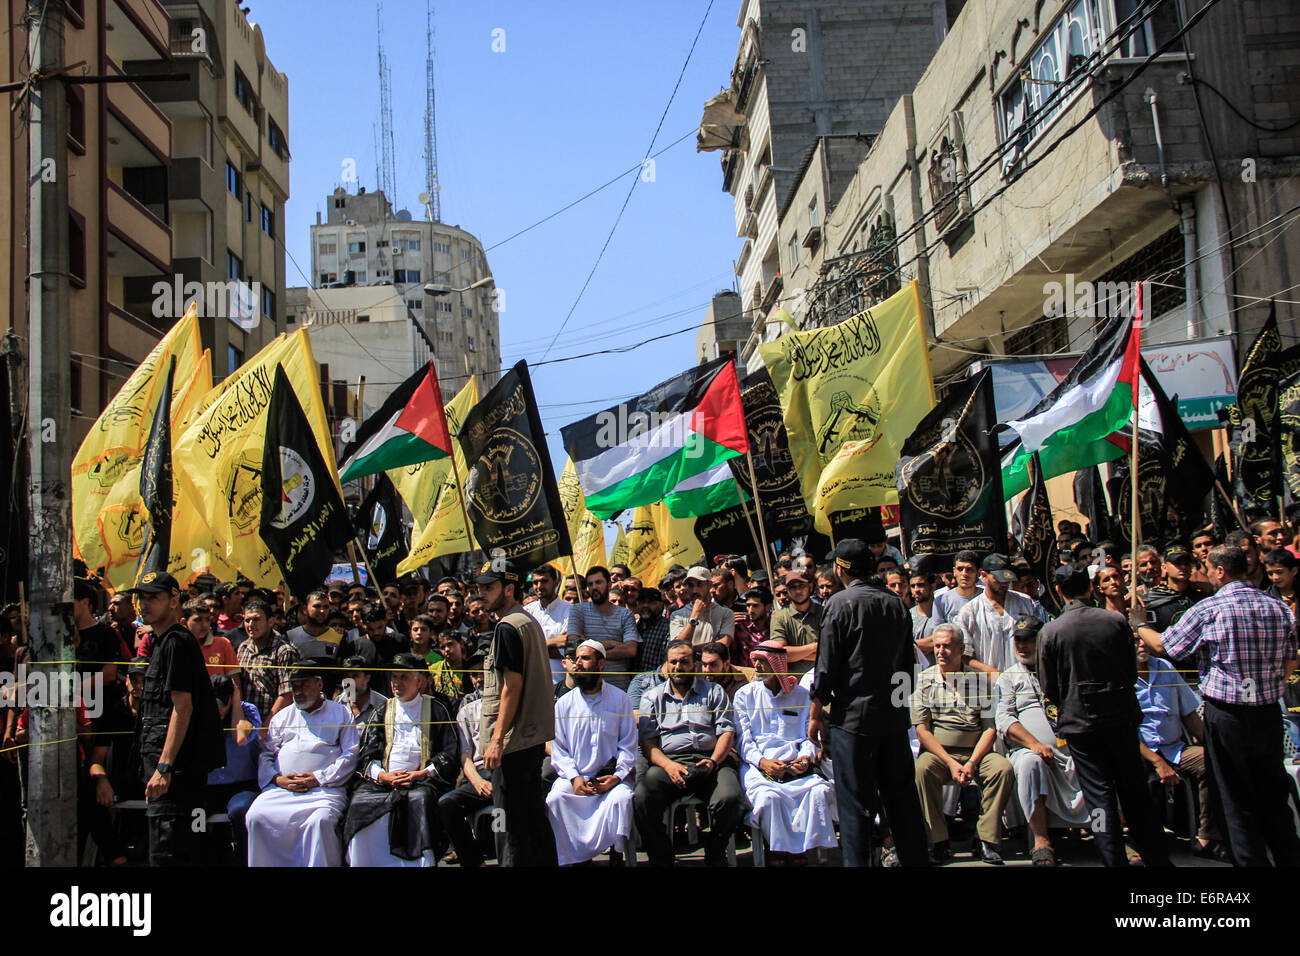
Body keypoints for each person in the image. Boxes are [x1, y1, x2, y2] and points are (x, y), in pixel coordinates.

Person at [1137, 545, 1300, 866]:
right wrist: (1274, 684)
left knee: (1237, 800)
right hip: (1266, 714)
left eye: (1207, 568)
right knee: (1273, 795)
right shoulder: (1278, 608)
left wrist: (1141, 622)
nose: (1204, 573)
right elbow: (1292, 659)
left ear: (1220, 571)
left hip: (1228, 716)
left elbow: (1163, 645)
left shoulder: (1209, 609)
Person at [1039, 563, 1171, 867]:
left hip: (1082, 723)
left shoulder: (1052, 631)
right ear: (1090, 587)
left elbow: (1049, 686)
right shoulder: (1114, 622)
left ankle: (1113, 860)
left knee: (1099, 801)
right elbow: (1129, 671)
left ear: (1059, 591)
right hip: (1119, 718)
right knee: (1134, 792)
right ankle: (1157, 858)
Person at [808, 539, 928, 868]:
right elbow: (909, 667)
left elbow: (827, 668)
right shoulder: (896, 604)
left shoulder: (838, 604)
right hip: (892, 720)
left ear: (841, 569)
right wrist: (898, 713)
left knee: (856, 807)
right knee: (903, 803)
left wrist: (816, 714)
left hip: (854, 722)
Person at [126, 571, 225, 866]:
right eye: (142, 598)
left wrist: (164, 767)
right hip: (169, 775)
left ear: (173, 601)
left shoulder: (175, 643)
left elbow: (183, 707)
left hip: (175, 776)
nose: (145, 604)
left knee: (168, 855)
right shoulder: (163, 642)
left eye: (153, 597)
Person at [344, 654, 460, 867]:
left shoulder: (437, 709)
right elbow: (368, 752)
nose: (396, 683)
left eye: (403, 677)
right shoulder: (382, 710)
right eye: (394, 677)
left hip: (422, 780)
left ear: (419, 681)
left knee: (420, 799)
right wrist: (382, 775)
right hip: (384, 781)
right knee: (359, 803)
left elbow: (449, 752)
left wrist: (422, 773)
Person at [478, 557, 557, 867]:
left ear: (509, 589)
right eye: (480, 588)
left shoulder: (508, 627)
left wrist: (496, 739)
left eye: (489, 588)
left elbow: (512, 686)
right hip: (529, 739)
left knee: (507, 823)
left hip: (512, 743)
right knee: (533, 820)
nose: (481, 594)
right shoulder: (527, 620)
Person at [634, 640, 743, 866]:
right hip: (670, 763)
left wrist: (712, 762)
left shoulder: (714, 692)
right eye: (673, 662)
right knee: (642, 798)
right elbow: (648, 743)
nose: (678, 666)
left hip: (711, 760)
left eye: (684, 661)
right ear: (666, 664)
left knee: (730, 797)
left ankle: (715, 851)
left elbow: (726, 733)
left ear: (694, 664)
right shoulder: (651, 698)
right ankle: (661, 855)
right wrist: (668, 766)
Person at [911, 623, 1013, 864]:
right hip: (940, 754)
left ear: (960, 649)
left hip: (975, 752)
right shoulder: (924, 680)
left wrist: (972, 762)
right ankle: (938, 841)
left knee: (1003, 769)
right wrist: (950, 763)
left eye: (947, 646)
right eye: (937, 646)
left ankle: (986, 839)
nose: (940, 652)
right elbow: (923, 730)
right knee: (921, 770)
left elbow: (989, 728)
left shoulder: (978, 681)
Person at [245, 660, 360, 867]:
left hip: (323, 791)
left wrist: (319, 778)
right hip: (282, 790)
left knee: (320, 821)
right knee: (256, 816)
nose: (297, 692)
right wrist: (277, 779)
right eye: (294, 686)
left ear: (318, 684)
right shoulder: (282, 716)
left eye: (303, 685)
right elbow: (266, 755)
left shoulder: (340, 713)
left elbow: (350, 754)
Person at [995, 617, 1089, 866]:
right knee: (1029, 763)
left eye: (1029, 640)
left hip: (1071, 746)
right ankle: (1041, 841)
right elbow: (1004, 719)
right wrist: (1034, 744)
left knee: (1104, 757)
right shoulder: (1009, 677)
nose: (1023, 646)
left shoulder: (1062, 669)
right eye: (1019, 641)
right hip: (1031, 750)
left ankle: (1109, 833)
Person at [734, 641, 837, 862]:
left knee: (818, 792)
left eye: (763, 661)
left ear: (777, 664)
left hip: (796, 765)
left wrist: (805, 757)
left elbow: (808, 736)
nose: (758, 666)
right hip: (759, 766)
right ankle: (777, 851)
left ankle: (804, 852)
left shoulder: (801, 695)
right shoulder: (745, 695)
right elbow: (744, 740)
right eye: (756, 661)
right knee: (768, 797)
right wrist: (763, 762)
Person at [1134, 634, 1228, 861]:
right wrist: (1157, 763)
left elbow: (1189, 715)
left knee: (1213, 762)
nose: (1142, 644)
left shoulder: (1165, 667)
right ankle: (1138, 840)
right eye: (1136, 640)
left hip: (1174, 748)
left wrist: (1216, 747)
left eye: (1144, 639)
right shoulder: (1116, 673)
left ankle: (1207, 838)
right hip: (1139, 751)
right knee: (1123, 770)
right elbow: (1122, 732)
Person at [546, 640, 638, 866]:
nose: (578, 663)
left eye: (585, 659)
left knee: (621, 799)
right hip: (575, 778)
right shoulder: (564, 704)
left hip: (611, 779)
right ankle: (573, 858)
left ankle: (617, 856)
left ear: (601, 664)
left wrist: (616, 777)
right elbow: (559, 748)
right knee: (556, 798)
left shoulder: (620, 699)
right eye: (576, 659)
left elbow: (628, 745)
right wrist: (575, 777)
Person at [438, 650, 493, 867]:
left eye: (483, 672)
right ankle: (472, 860)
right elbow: (465, 754)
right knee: (446, 803)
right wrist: (477, 781)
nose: (479, 678)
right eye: (474, 675)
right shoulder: (466, 709)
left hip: (508, 771)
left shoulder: (511, 699)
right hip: (479, 773)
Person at [956, 554, 1042, 674]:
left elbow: (1041, 641)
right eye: (998, 578)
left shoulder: (1026, 602)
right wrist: (991, 672)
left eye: (1007, 578)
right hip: (989, 685)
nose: (1004, 583)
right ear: (983, 576)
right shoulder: (970, 611)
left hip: (1024, 681)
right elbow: (964, 655)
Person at [207, 674, 261, 865]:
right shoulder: (201, 712)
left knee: (241, 811)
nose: (218, 709)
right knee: (194, 813)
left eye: (223, 703)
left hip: (241, 784)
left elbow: (240, 738)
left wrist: (236, 702)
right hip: (210, 785)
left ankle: (242, 859)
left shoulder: (248, 711)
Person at [567, 566, 639, 691]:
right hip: (586, 688)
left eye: (598, 582)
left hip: (618, 687)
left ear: (610, 585)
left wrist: (591, 655)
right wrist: (610, 644)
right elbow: (574, 644)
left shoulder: (625, 615)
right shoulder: (578, 610)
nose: (594, 587)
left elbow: (630, 649)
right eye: (590, 584)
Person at [234, 600, 299, 729]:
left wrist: (265, 727)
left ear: (270, 622)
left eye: (256, 619)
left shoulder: (284, 651)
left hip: (274, 726)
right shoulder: (243, 647)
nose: (251, 625)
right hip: (246, 725)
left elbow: (287, 695)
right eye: (247, 620)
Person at [668, 565, 735, 652]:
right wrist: (694, 616)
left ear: (709, 585)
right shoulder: (677, 615)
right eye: (690, 585)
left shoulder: (726, 613)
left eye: (699, 584)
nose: (695, 590)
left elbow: (724, 644)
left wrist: (691, 649)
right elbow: (677, 647)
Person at [768, 569, 821, 677]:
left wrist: (795, 653)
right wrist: (814, 647)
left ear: (810, 587)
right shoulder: (779, 617)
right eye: (793, 587)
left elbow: (829, 652)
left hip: (821, 677)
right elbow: (780, 654)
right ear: (787, 590)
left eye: (801, 586)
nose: (797, 591)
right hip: (793, 682)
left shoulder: (824, 613)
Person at [524, 564, 572, 681]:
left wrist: (533, 648)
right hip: (532, 681)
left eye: (544, 581)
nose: (539, 586)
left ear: (556, 582)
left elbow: (568, 646)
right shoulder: (527, 611)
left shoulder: (570, 610)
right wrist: (552, 643)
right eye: (535, 582)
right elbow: (522, 648)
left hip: (559, 681)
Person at [931, 550, 983, 625]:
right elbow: (938, 633)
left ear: (978, 573)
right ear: (954, 571)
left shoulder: (987, 598)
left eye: (969, 570)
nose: (964, 574)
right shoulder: (941, 601)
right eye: (960, 569)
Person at [337, 655, 387, 725]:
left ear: (367, 678)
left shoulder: (382, 704)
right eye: (346, 676)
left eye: (355, 676)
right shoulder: (338, 703)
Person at [634, 586, 671, 675]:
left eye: (651, 602)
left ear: (661, 604)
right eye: (642, 602)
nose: (645, 606)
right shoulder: (633, 626)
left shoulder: (668, 627)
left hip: (656, 682)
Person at [731, 587, 772, 668]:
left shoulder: (774, 627)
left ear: (768, 607)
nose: (750, 610)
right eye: (748, 605)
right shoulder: (739, 627)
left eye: (755, 606)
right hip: (746, 676)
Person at [429, 630, 473, 701]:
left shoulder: (471, 669)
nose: (447, 649)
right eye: (442, 647)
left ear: (461, 644)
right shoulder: (432, 669)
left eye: (450, 644)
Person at [909, 571, 938, 666]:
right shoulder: (907, 615)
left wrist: (914, 645)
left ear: (932, 587)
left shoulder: (943, 612)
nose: (916, 590)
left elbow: (944, 641)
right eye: (913, 586)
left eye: (920, 585)